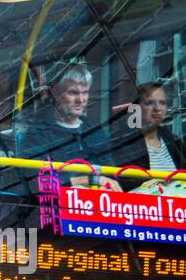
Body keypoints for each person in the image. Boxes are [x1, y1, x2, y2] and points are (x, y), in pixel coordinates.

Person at [20, 61, 121, 189]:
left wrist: (107, 185)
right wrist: (91, 180)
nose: (80, 100)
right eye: (73, 93)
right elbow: (37, 181)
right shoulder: (38, 134)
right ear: (56, 93)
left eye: (85, 92)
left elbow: (110, 170)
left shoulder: (94, 130)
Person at [113, 82, 185, 182]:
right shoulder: (124, 142)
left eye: (162, 103)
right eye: (150, 103)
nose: (157, 108)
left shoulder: (174, 141)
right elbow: (124, 183)